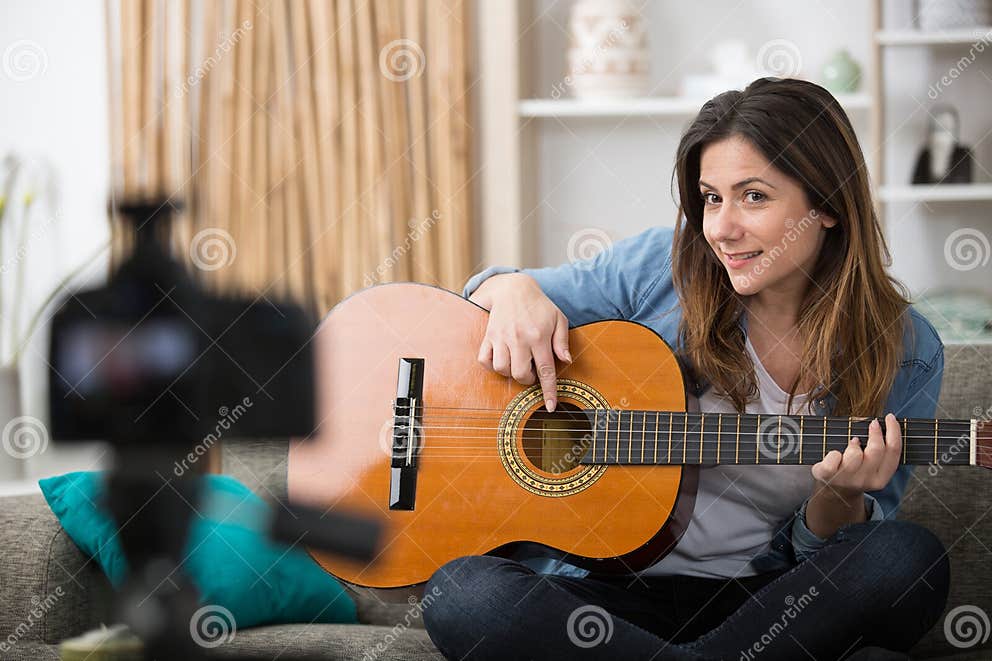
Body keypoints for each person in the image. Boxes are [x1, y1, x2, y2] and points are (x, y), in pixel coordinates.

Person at [422, 77, 949, 660]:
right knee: (463, 592)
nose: (721, 228)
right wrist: (511, 286)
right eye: (711, 197)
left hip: (768, 603)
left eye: (754, 196)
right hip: (603, 598)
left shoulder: (906, 348)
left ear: (826, 203)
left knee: (906, 559)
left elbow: (842, 552)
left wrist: (837, 498)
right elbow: (482, 304)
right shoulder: (659, 267)